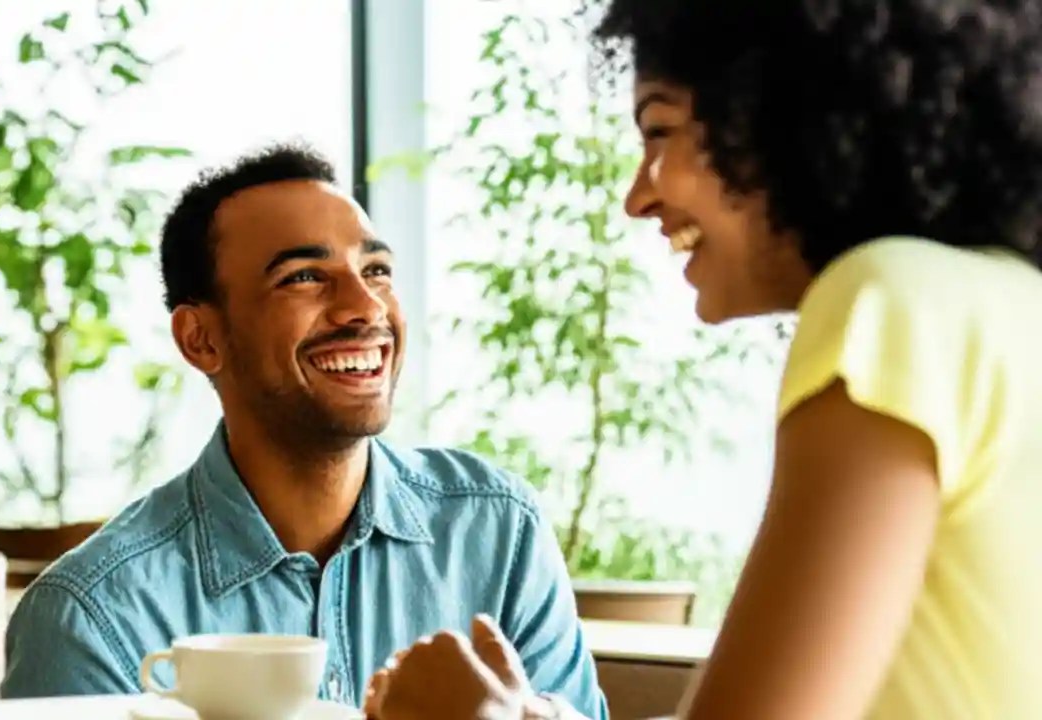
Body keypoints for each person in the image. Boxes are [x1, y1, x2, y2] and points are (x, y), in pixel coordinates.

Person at [368, 1, 1042, 718]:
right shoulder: (1004, 300)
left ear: (785, 108)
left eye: (659, 131)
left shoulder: (888, 303)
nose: (637, 196)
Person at [0, 143, 608, 717]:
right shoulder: (92, 615)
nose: (365, 308)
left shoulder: (500, 533)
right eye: (303, 278)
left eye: (376, 270)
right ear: (200, 338)